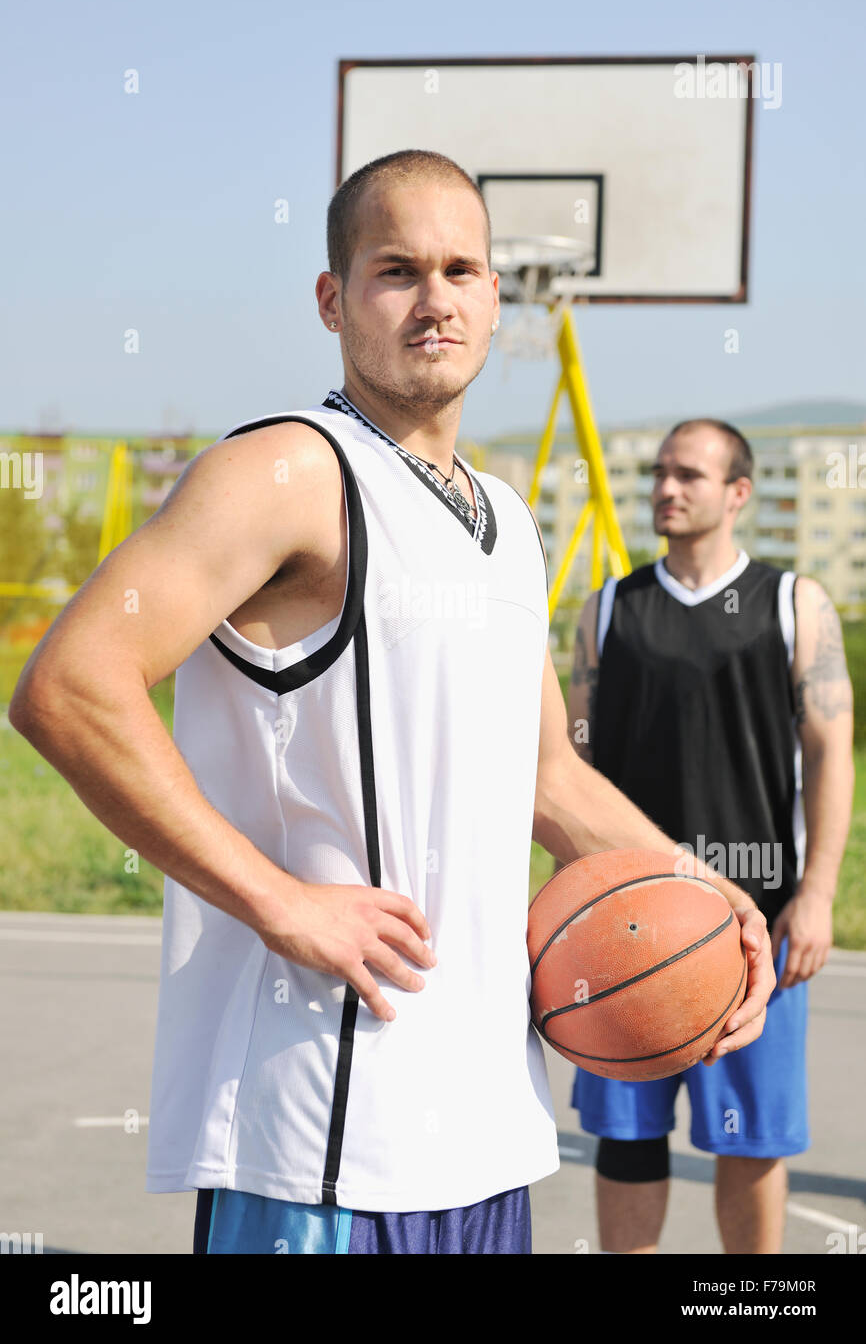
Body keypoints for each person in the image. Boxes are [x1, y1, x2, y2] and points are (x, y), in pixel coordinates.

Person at [9, 152, 775, 1256]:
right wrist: (279, 899)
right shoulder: (286, 469)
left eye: (460, 270)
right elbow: (71, 686)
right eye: (396, 270)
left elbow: (545, 776)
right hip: (319, 1122)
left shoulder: (507, 522)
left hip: (486, 1128)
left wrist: (705, 895)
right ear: (332, 297)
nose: (435, 300)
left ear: (495, 299)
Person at [562, 418, 854, 1254]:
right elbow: (572, 772)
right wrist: (559, 900)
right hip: (627, 926)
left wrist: (819, 893)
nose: (665, 488)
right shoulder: (611, 609)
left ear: (737, 493)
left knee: (750, 1142)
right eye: (658, 473)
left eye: (688, 474)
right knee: (626, 1138)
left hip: (752, 926)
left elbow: (833, 755)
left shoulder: (796, 605)